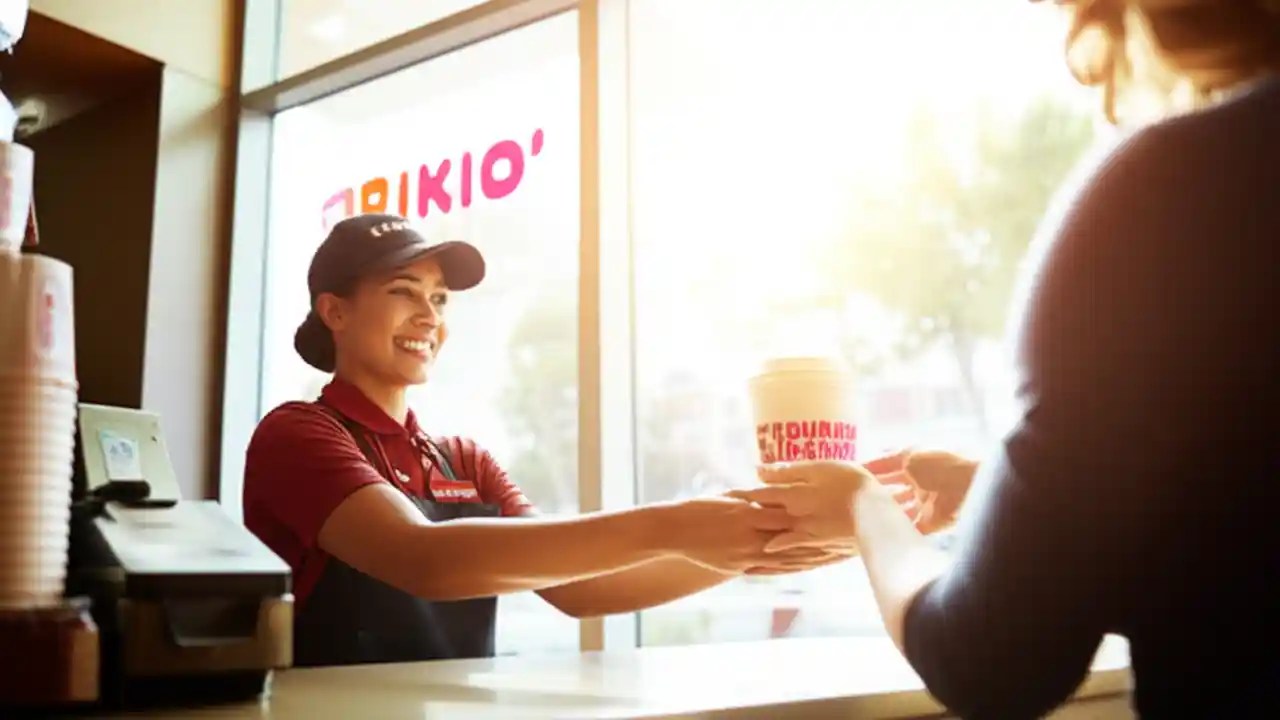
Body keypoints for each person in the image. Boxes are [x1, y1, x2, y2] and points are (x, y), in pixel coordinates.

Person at [730, 2, 1280, 717]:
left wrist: (864, 508)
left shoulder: (1175, 194)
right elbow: (1234, 572)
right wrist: (1008, 503)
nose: (1108, 103)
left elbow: (990, 658)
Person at [241, 213, 865, 667]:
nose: (430, 316)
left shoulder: (463, 459)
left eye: (438, 298)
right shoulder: (298, 434)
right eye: (403, 293)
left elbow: (577, 588)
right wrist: (679, 525)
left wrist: (755, 551)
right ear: (335, 312)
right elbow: (421, 559)